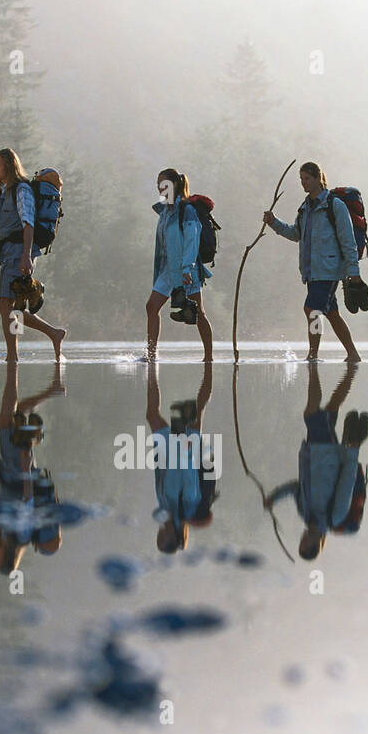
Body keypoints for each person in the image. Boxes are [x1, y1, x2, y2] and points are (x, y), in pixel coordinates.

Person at [0, 148, 66, 363]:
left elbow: (28, 223)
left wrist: (26, 256)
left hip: (19, 252)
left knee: (6, 304)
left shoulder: (22, 190)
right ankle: (51, 334)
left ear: (9, 165)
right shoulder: (5, 192)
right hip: (10, 252)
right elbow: (1, 223)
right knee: (9, 306)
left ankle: (14, 355)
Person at [264, 364, 368, 560]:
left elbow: (296, 487)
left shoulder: (305, 513)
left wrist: (273, 498)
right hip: (327, 454)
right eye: (305, 544)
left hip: (312, 453)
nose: (302, 539)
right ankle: (314, 365)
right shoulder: (333, 517)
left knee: (331, 409)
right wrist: (353, 450)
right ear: (315, 544)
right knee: (311, 413)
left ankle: (351, 370)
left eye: (301, 543)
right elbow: (346, 482)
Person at [264, 162, 362, 363]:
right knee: (331, 313)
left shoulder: (335, 206)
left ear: (318, 178)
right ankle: (353, 354)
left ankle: (313, 355)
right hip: (312, 272)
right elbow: (295, 234)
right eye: (301, 179)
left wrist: (353, 271)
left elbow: (348, 240)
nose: (304, 183)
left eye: (307, 179)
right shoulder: (305, 208)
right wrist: (274, 222)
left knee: (311, 309)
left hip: (330, 270)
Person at [0, 361, 66, 575]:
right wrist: (25, 467)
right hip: (16, 470)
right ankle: (12, 361)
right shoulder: (20, 536)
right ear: (5, 558)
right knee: (7, 417)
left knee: (17, 413)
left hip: (13, 471)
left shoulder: (8, 537)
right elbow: (27, 501)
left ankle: (50, 390)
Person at [146, 360, 217, 552]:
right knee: (199, 407)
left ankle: (151, 365)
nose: (159, 533)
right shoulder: (187, 507)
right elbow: (189, 475)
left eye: (158, 537)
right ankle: (209, 363)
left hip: (168, 450)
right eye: (162, 537)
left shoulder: (166, 510)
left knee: (152, 415)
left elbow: (160, 477)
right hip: (183, 446)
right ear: (173, 536)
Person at [146, 168, 213, 362]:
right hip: (168, 270)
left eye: (163, 184)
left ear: (174, 185)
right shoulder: (165, 211)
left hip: (187, 269)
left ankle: (208, 357)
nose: (160, 188)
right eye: (158, 185)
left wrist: (187, 268)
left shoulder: (187, 210)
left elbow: (192, 240)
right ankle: (151, 354)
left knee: (199, 312)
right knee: (151, 307)